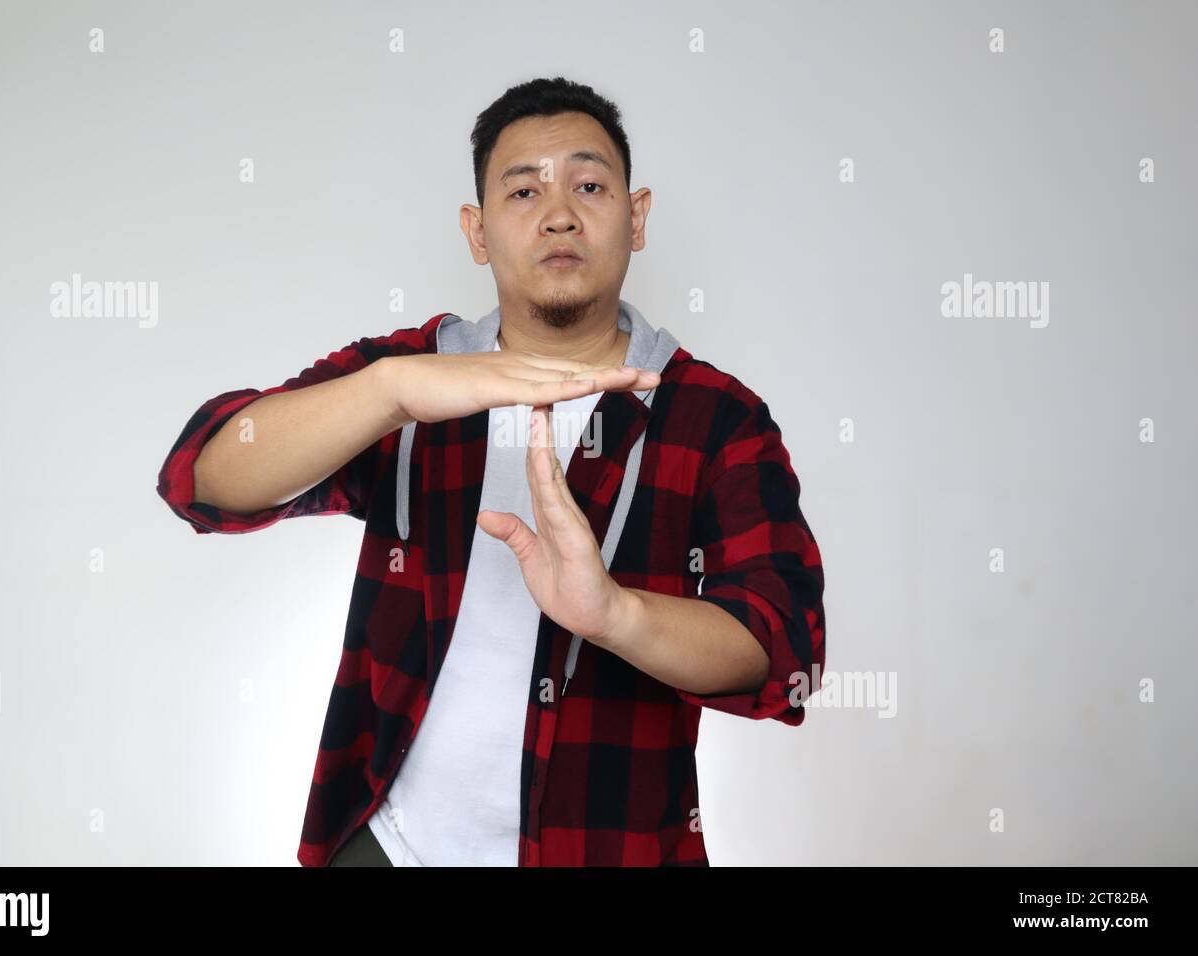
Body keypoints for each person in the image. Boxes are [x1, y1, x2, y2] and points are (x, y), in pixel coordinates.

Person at [156, 76, 826, 867]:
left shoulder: (713, 415)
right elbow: (203, 476)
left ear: (636, 217)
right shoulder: (411, 377)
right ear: (477, 232)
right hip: (387, 847)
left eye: (588, 184)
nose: (559, 213)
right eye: (522, 191)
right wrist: (391, 391)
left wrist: (615, 614)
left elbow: (784, 653)